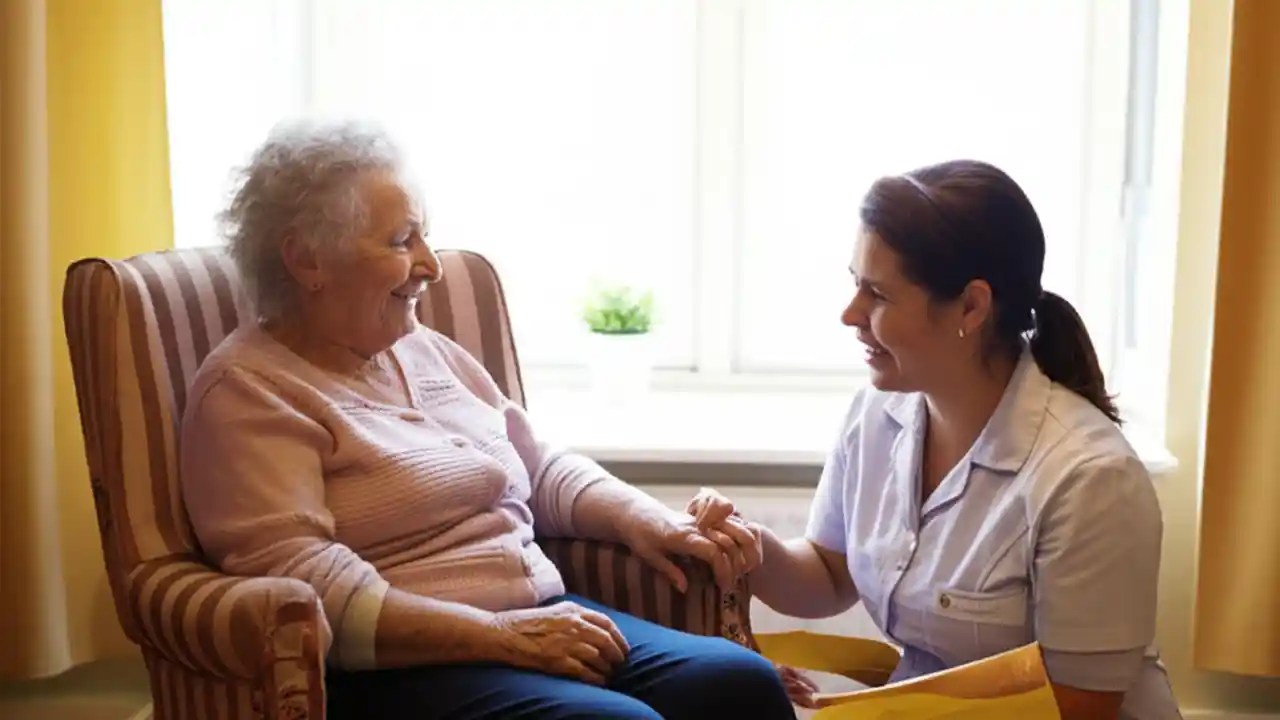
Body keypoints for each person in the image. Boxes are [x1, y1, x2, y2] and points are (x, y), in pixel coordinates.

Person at [179, 121, 792, 720]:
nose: (431, 266)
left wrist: (647, 518)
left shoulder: (421, 348)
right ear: (307, 259)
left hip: (538, 611)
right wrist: (500, 635)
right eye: (402, 242)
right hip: (404, 666)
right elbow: (310, 588)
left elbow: (537, 466)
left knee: (738, 684)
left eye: (425, 237)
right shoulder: (249, 393)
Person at [690, 160, 1182, 720]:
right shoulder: (875, 414)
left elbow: (1077, 708)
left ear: (971, 307)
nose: (849, 313)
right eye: (855, 284)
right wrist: (750, 548)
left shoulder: (1091, 478)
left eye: (877, 294)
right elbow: (829, 576)